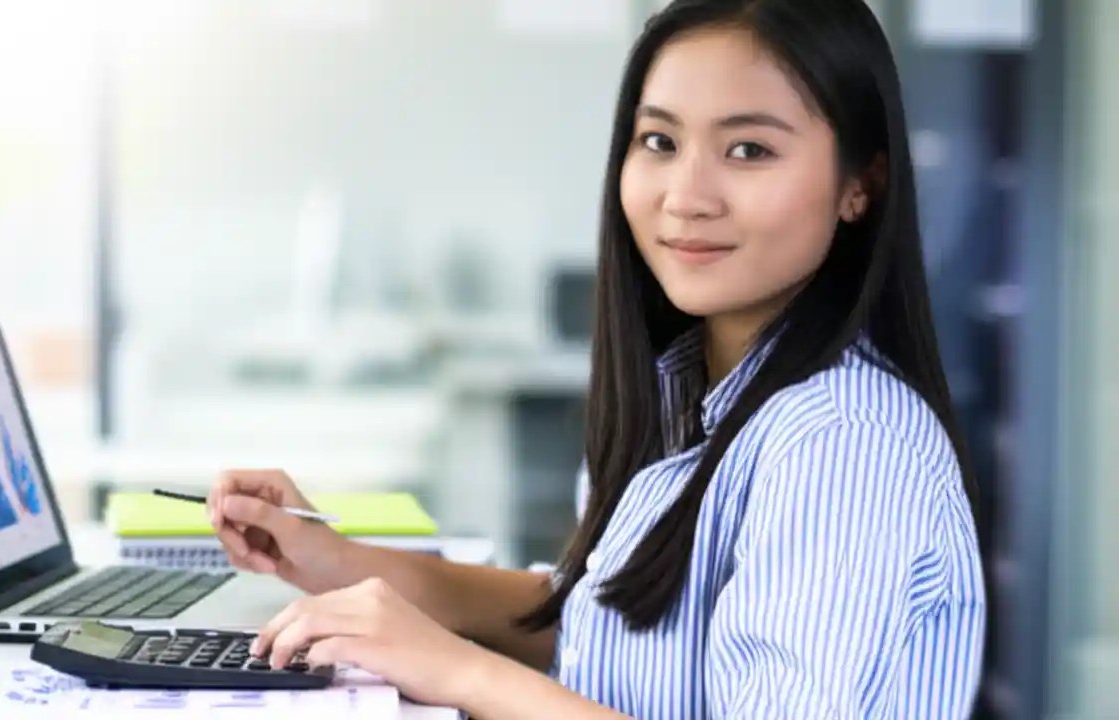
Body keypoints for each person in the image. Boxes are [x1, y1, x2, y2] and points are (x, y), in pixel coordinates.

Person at [206, 0, 987, 716]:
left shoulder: (842, 443)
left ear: (861, 184)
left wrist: (455, 668)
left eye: (749, 150)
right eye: (660, 142)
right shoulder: (689, 394)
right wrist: (333, 560)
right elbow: (594, 619)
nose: (686, 194)